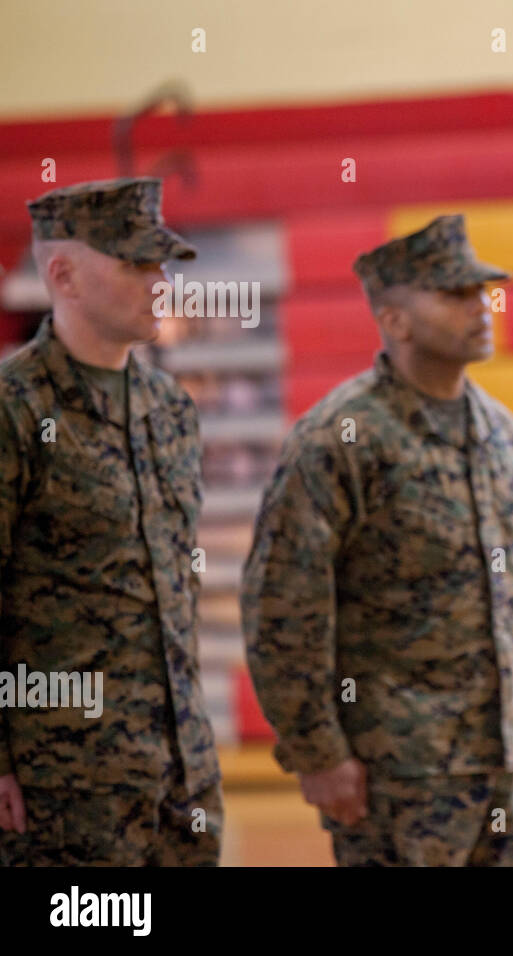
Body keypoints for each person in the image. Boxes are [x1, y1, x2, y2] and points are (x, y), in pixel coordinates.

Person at [240, 214, 513, 866]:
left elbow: (506, 595)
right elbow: (282, 605)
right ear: (396, 321)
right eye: (454, 294)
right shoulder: (341, 439)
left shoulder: (501, 433)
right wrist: (318, 753)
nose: (479, 307)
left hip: (504, 764)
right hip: (397, 775)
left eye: (481, 290)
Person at [0, 177, 223, 865]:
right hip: (63, 789)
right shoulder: (16, 408)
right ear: (62, 274)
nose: (160, 281)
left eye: (163, 264)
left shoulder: (171, 410)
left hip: (180, 778)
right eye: (135, 263)